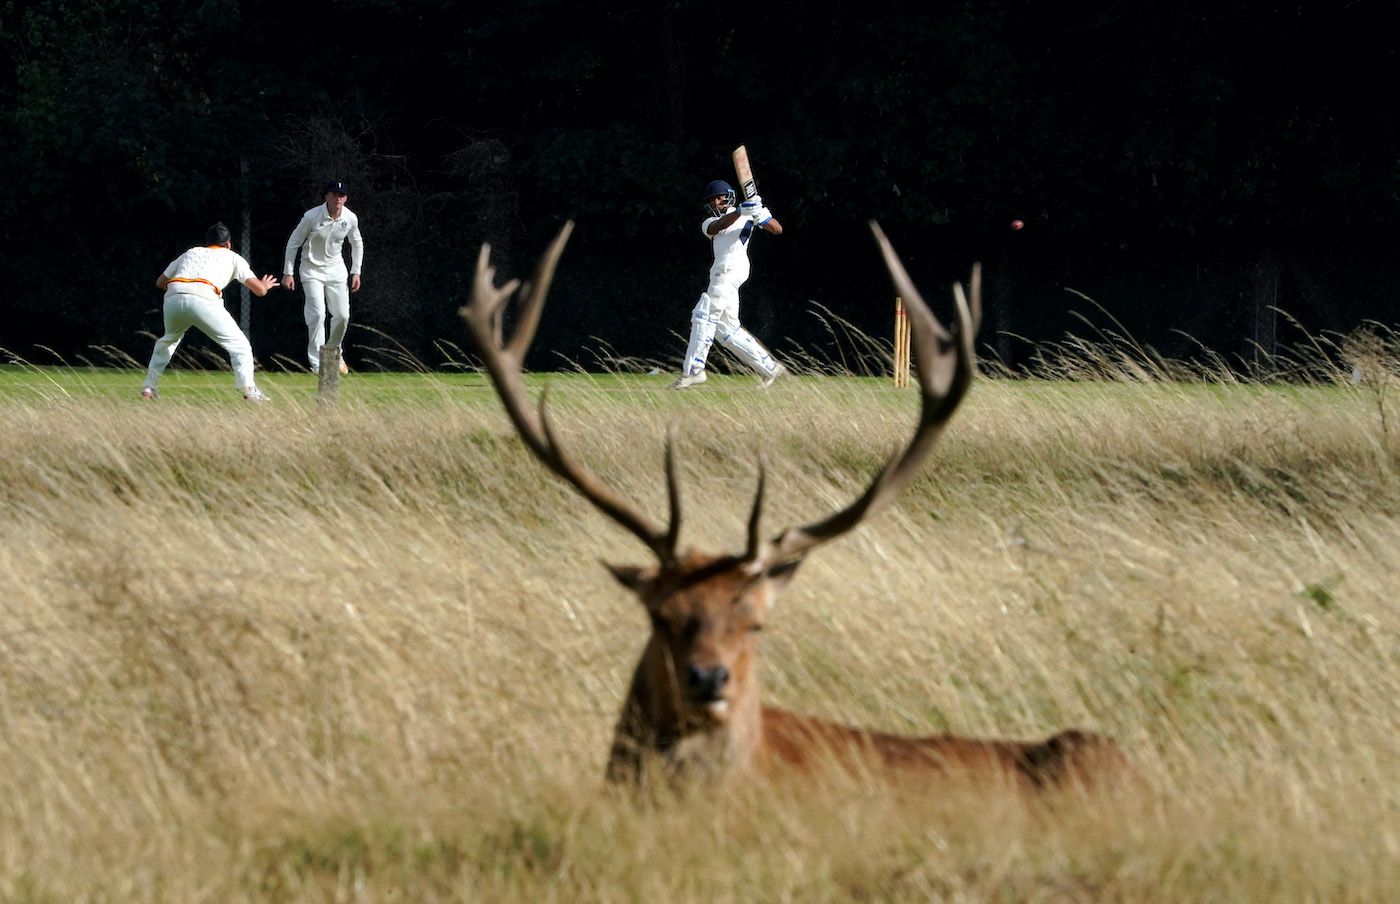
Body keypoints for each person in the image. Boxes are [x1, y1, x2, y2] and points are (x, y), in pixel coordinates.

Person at [141, 222, 279, 401]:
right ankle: (249, 391)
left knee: (168, 340)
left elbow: (160, 282)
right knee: (240, 346)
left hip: (173, 297)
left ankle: (148, 388)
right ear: (228, 244)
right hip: (204, 297)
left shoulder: (191, 252)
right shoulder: (232, 256)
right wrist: (266, 285)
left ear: (208, 242)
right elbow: (259, 290)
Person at [670, 179, 787, 389]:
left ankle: (695, 370)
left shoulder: (748, 212)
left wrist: (760, 214)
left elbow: (777, 229)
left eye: (719, 197)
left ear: (729, 196)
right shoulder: (710, 222)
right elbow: (718, 226)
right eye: (712, 200)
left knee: (704, 314)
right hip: (721, 272)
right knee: (726, 329)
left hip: (731, 269)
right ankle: (769, 367)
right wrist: (742, 211)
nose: (716, 202)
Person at [281, 179, 364, 373]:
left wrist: (356, 271)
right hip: (311, 270)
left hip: (336, 269)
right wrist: (288, 272)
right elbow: (294, 242)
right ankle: (319, 364)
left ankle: (334, 352)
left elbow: (357, 243)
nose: (338, 198)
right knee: (317, 314)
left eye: (341, 195)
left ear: (346, 198)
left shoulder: (350, 218)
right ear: (326, 196)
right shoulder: (311, 217)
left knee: (343, 315)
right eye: (334, 194)